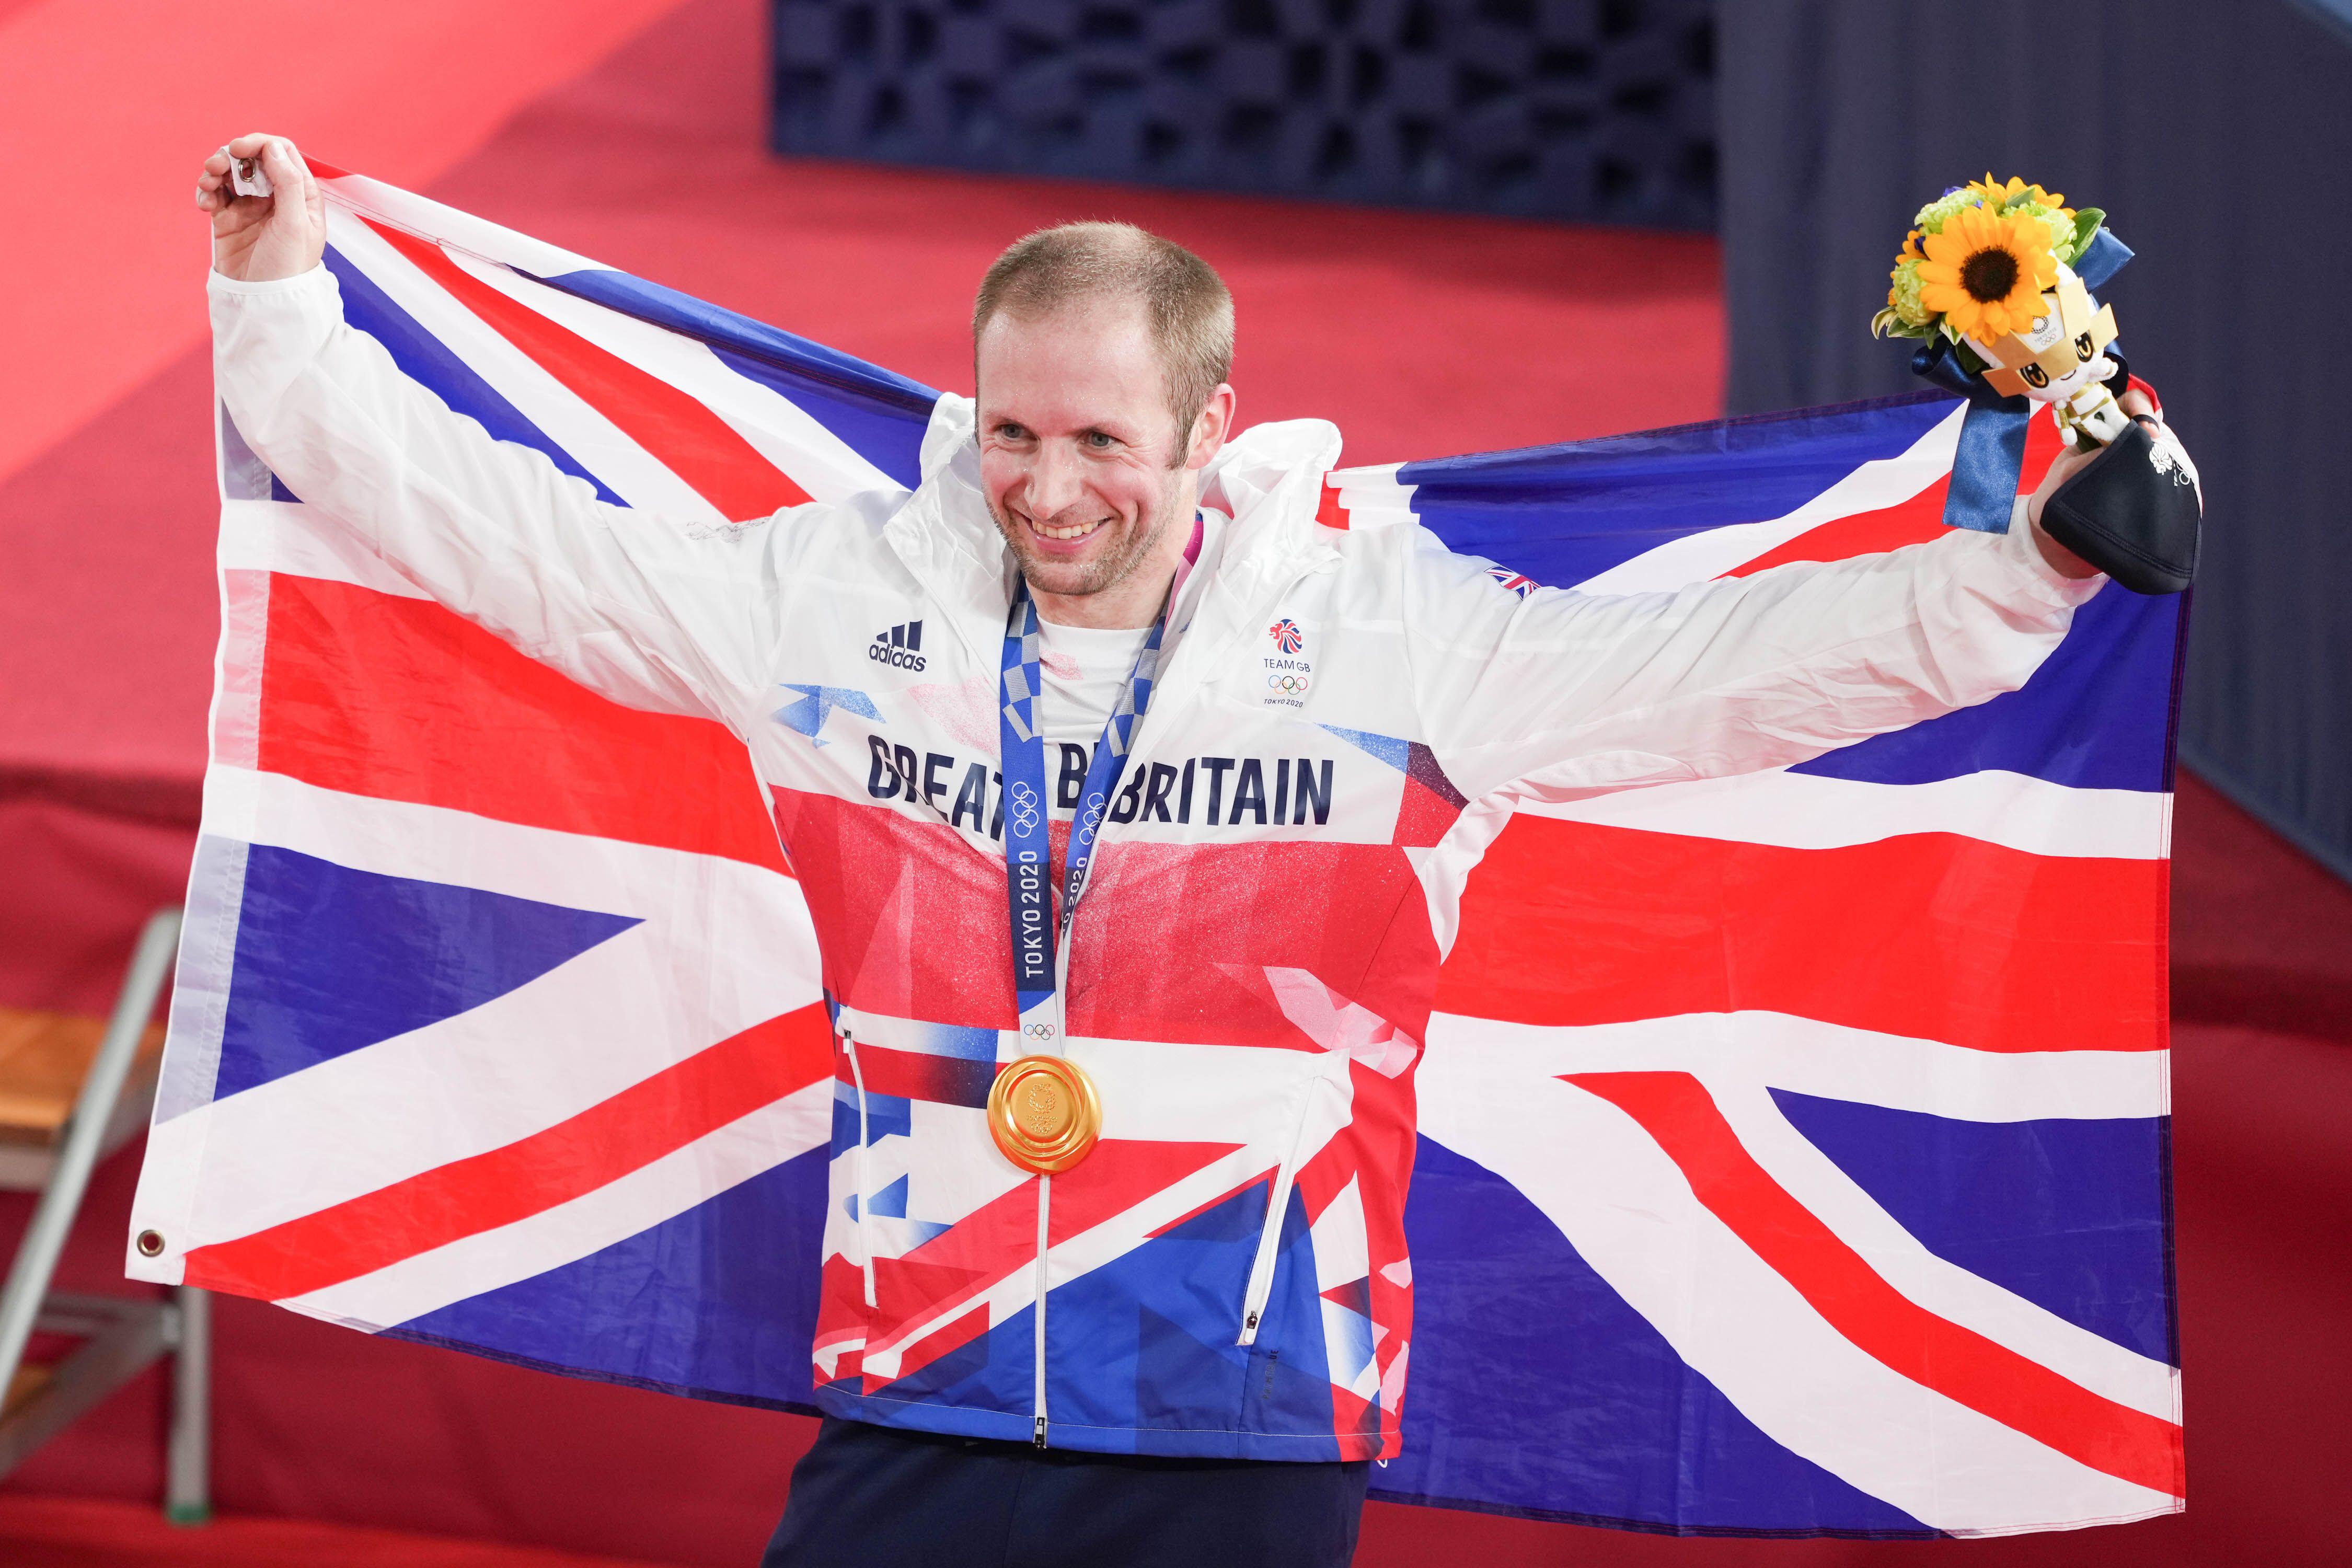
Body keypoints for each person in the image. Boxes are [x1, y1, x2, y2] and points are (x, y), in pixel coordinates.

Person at [196, 133, 2168, 1568]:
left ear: (1211, 426)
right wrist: (280, 318)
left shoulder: (1395, 639)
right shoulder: (831, 610)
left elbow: (1727, 668)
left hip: (1246, 1420)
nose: (1047, 491)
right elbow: (525, 548)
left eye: (1102, 446)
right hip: (924, 1372)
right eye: (1011, 435)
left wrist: (2030, 572)